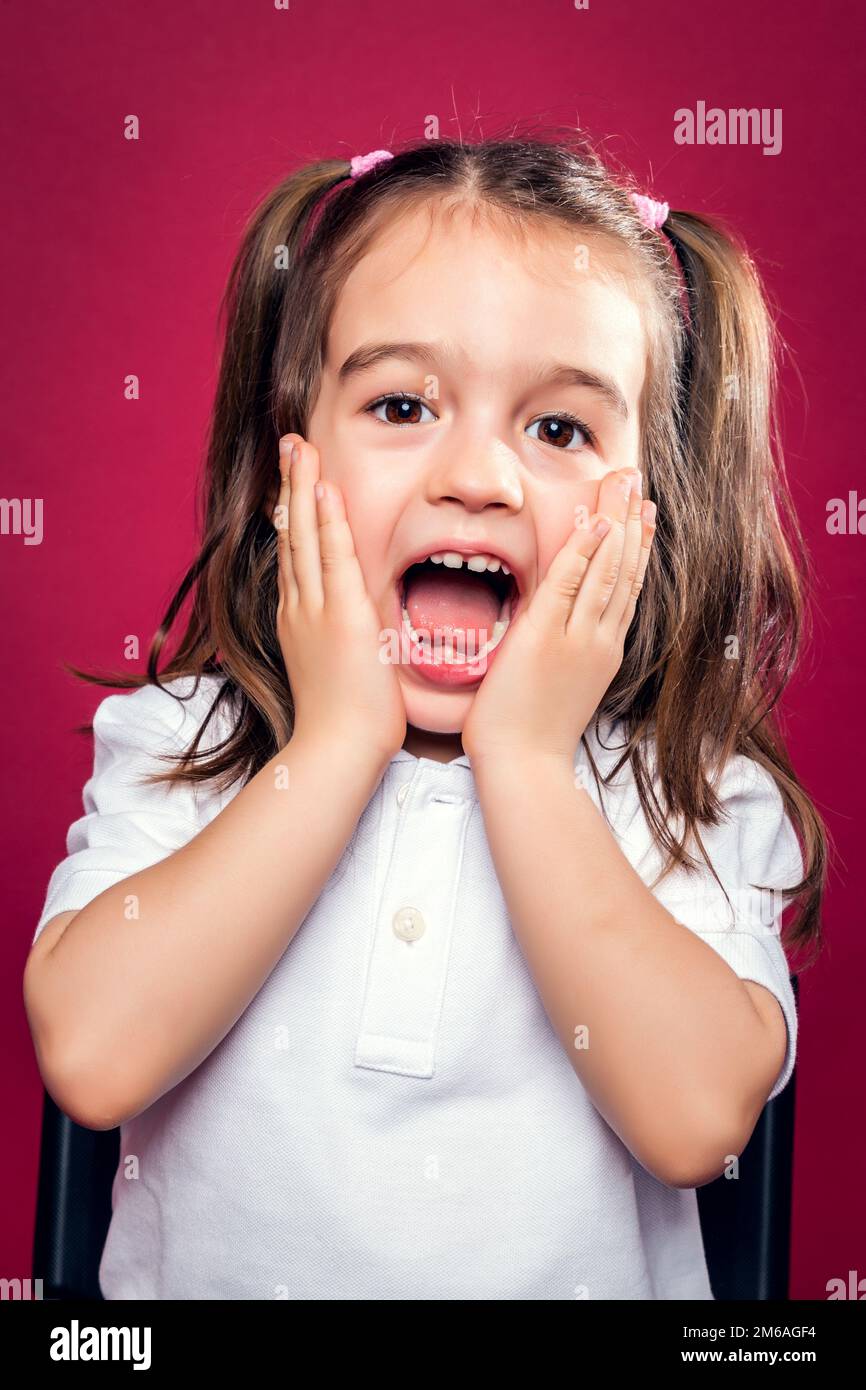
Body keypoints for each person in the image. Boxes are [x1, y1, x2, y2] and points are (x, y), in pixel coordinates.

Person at [23, 133, 826, 1299]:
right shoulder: (188, 741)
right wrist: (335, 745)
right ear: (286, 467)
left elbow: (695, 1120)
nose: (478, 476)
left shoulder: (686, 790)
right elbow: (94, 1059)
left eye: (558, 430)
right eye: (402, 404)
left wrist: (529, 766)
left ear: (647, 510)